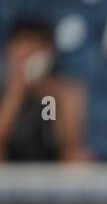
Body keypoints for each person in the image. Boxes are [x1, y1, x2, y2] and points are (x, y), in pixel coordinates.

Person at [0, 18, 91, 162]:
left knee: (80, 159)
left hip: (51, 171)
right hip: (9, 169)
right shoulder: (6, 91)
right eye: (19, 55)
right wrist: (16, 93)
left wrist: (52, 96)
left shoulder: (63, 91)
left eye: (31, 52)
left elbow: (70, 144)